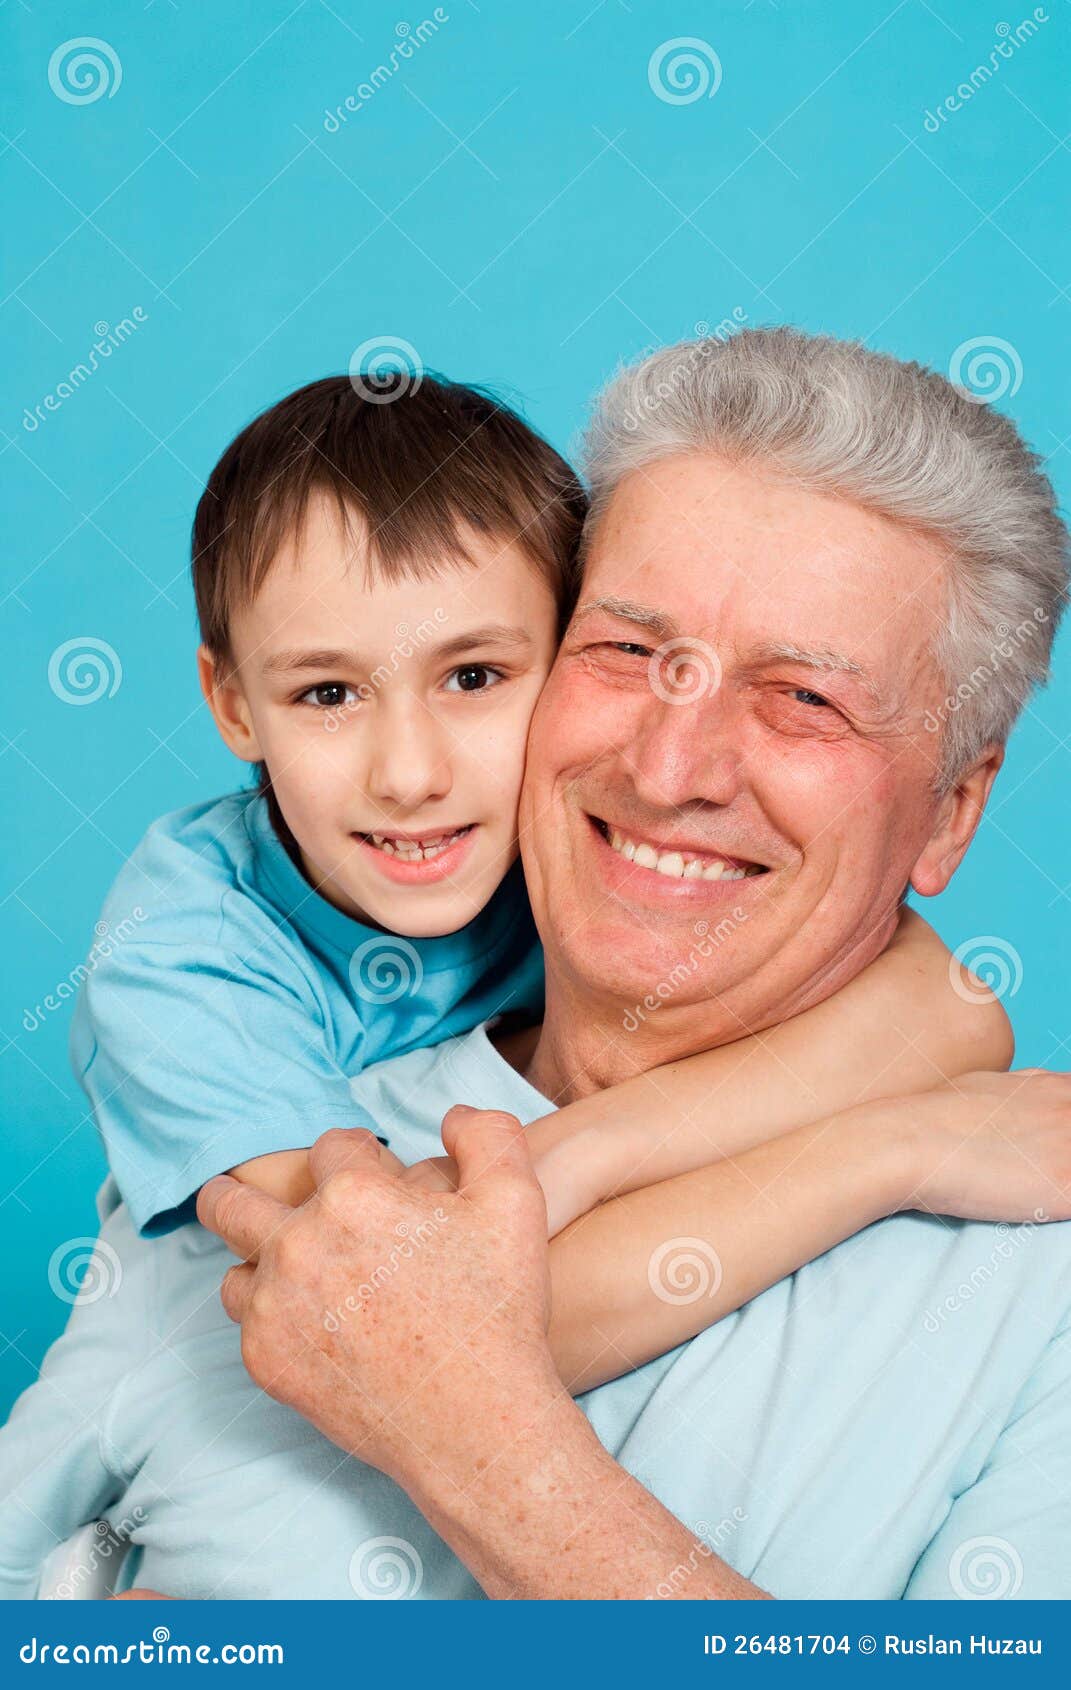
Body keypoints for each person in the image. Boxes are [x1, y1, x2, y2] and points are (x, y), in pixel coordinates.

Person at [3, 329, 1068, 1600]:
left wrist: (485, 1443)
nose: (671, 771)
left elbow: (946, 1008)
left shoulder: (1033, 1282)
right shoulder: (259, 1093)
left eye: (804, 699)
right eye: (628, 649)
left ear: (952, 810)